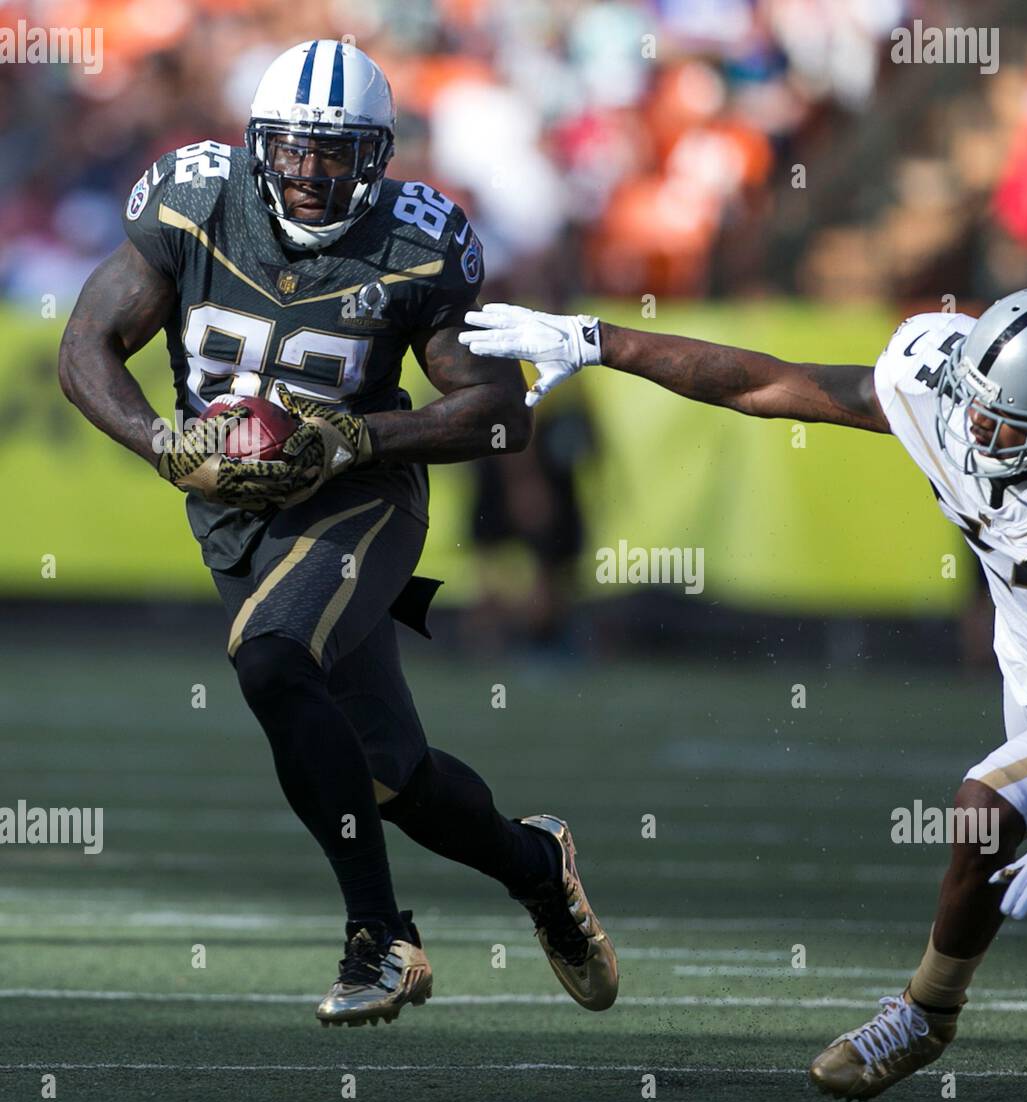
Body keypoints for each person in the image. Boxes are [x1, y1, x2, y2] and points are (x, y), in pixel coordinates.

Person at [461, 288, 1027, 1100]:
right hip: (1025, 662)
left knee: (988, 807)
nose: (977, 431)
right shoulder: (941, 384)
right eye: (975, 407)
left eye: (1008, 420)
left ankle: (924, 1014)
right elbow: (761, 383)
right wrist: (598, 340)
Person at [58, 40, 618, 1028]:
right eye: (294, 149)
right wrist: (161, 441)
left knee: (272, 661)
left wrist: (355, 433)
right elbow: (85, 345)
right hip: (235, 512)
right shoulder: (194, 200)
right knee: (389, 772)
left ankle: (380, 937)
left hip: (361, 495)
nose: (311, 173)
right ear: (256, 144)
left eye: (336, 152)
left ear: (377, 154)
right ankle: (537, 866)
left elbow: (499, 412)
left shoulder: (419, 239)